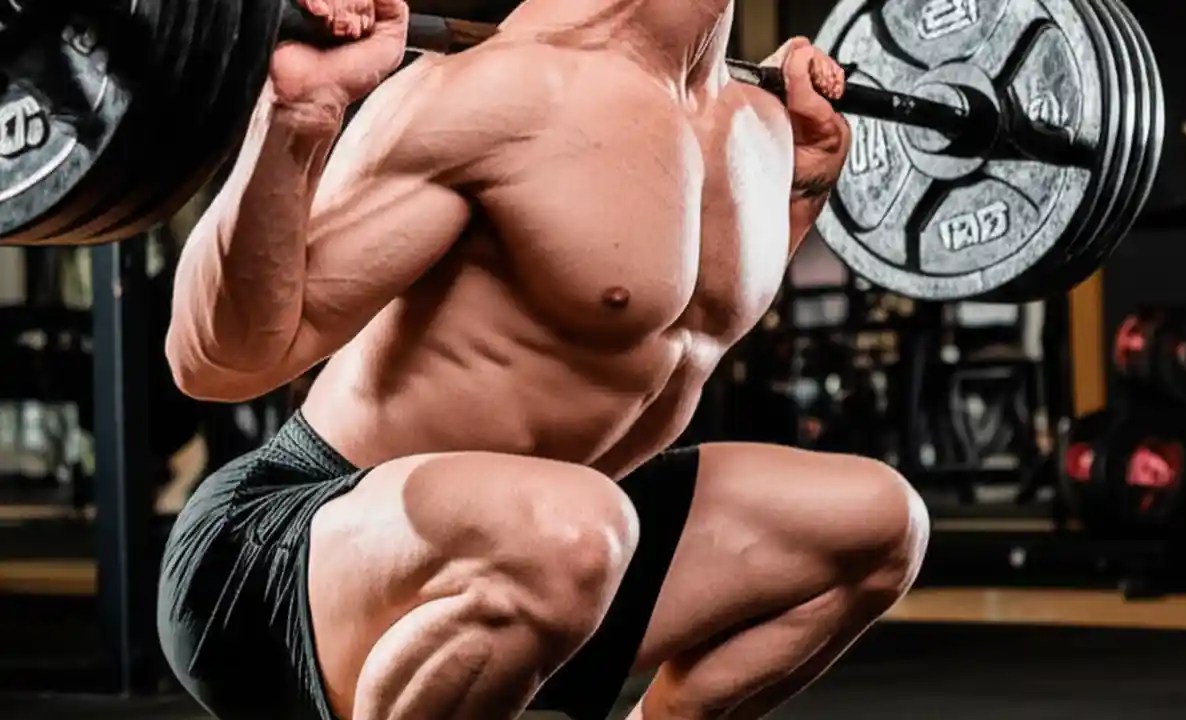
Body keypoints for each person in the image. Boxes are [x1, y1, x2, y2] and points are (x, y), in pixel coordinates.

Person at [157, 0, 931, 718]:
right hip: (287, 554)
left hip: (569, 542)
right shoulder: (501, 90)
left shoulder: (756, 124)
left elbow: (673, 338)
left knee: (876, 524)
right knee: (574, 532)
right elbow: (217, 363)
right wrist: (294, 116)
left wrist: (806, 184)